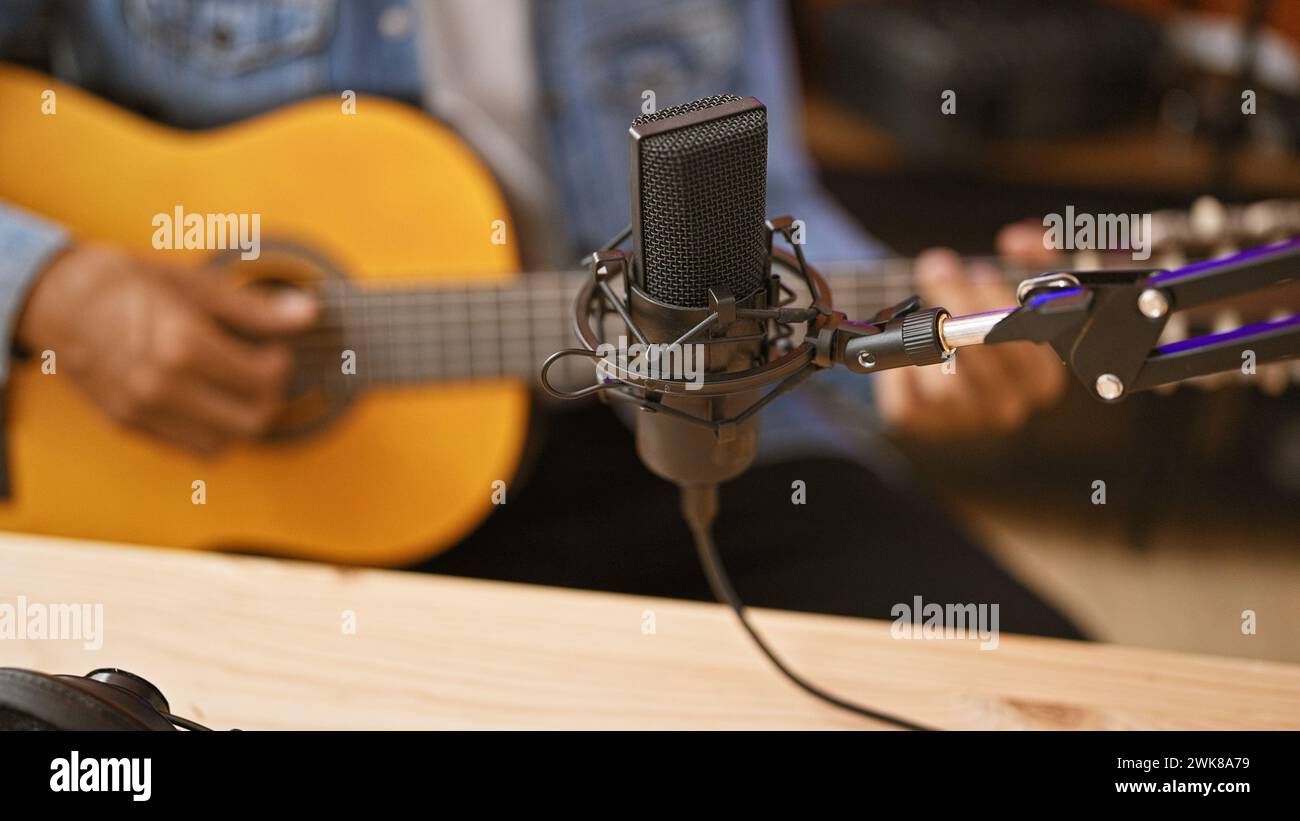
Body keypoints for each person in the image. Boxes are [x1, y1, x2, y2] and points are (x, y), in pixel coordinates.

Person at [0, 0, 1078, 638]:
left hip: (670, 445)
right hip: (247, 492)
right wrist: (51, 286)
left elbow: (758, 212)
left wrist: (898, 342)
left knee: (1040, 685)